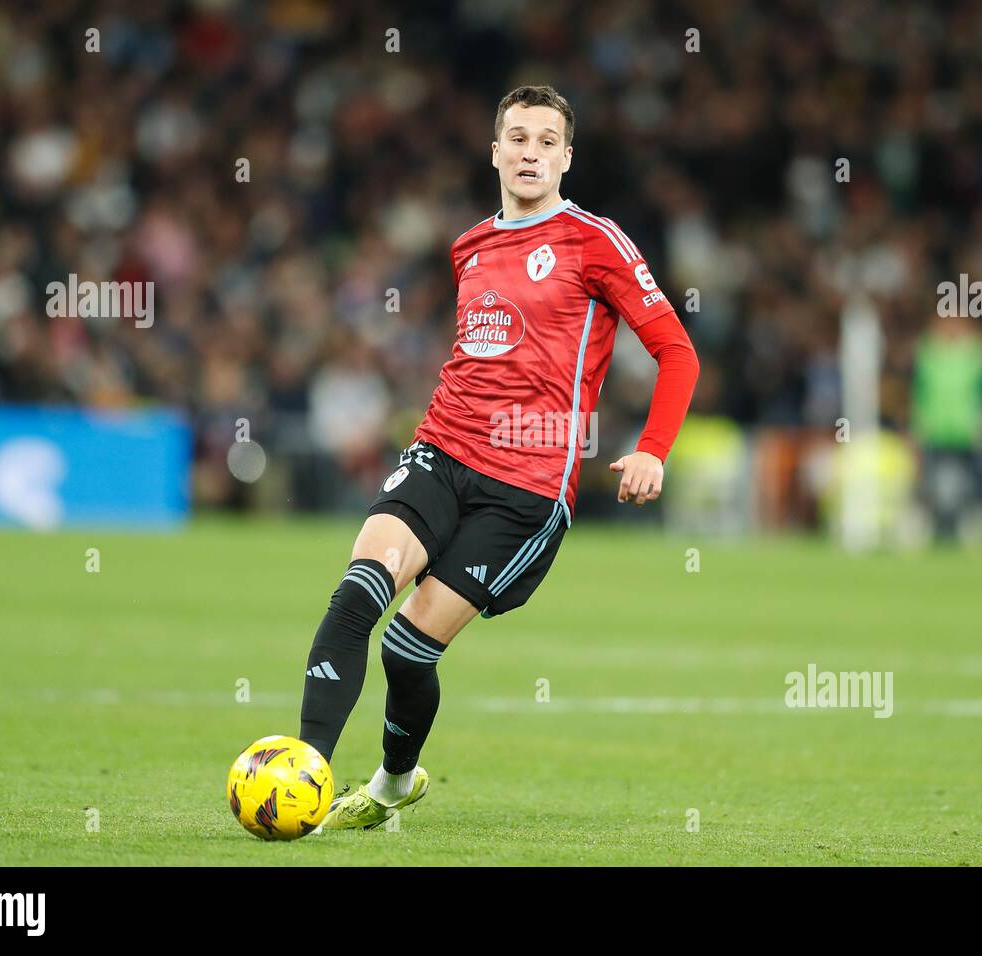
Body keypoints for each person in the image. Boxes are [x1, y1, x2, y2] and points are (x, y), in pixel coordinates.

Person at [299, 84, 700, 829]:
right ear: (494, 151)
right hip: (441, 450)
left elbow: (677, 352)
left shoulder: (595, 241)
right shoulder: (469, 247)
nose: (531, 153)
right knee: (358, 592)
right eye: (518, 138)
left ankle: (392, 785)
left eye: (548, 141)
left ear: (567, 158)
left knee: (408, 652)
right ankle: (305, 772)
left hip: (526, 487)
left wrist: (652, 450)